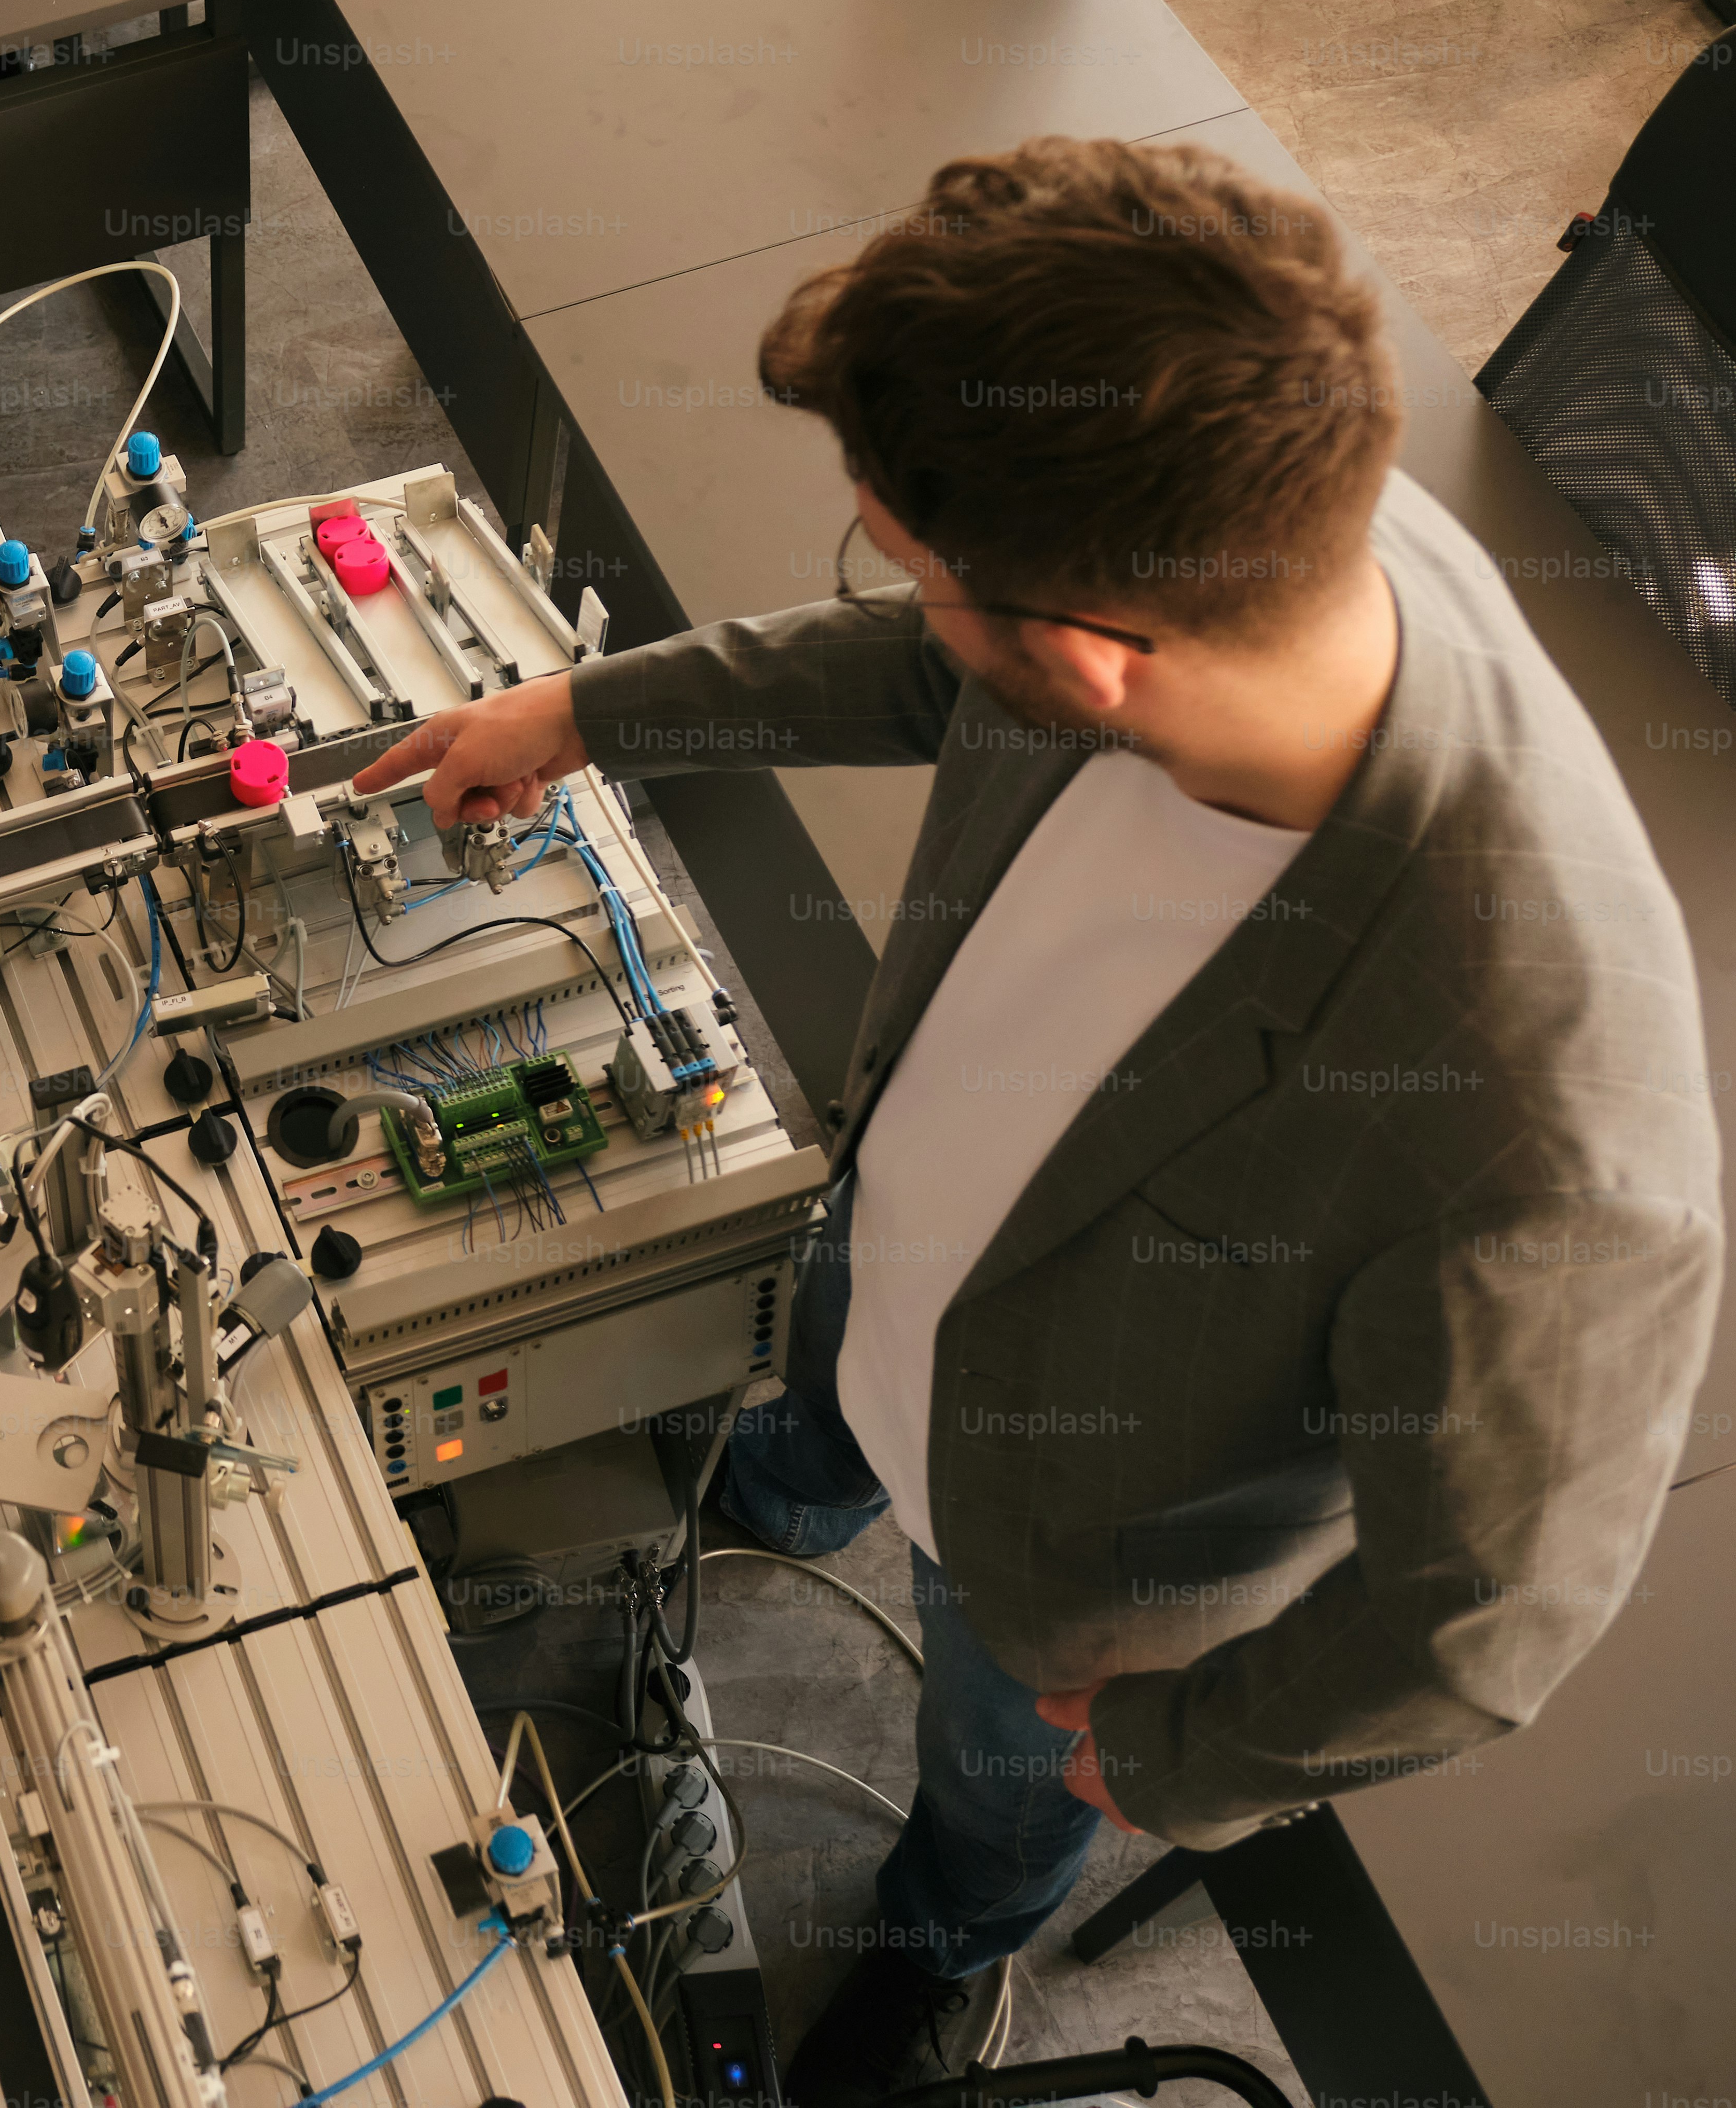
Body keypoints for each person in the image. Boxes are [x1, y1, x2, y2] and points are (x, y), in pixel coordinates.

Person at [356, 137, 1720, 2105]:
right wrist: (584, 714)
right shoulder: (1266, 533)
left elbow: (1489, 1618)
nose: (903, 599)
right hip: (895, 1258)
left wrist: (1167, 1757)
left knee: (999, 1793)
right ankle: (800, 1480)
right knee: (812, 1409)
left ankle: (946, 1949)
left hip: (1067, 1571)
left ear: (1091, 658)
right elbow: (940, 668)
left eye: (904, 556)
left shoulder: (1542, 1119)